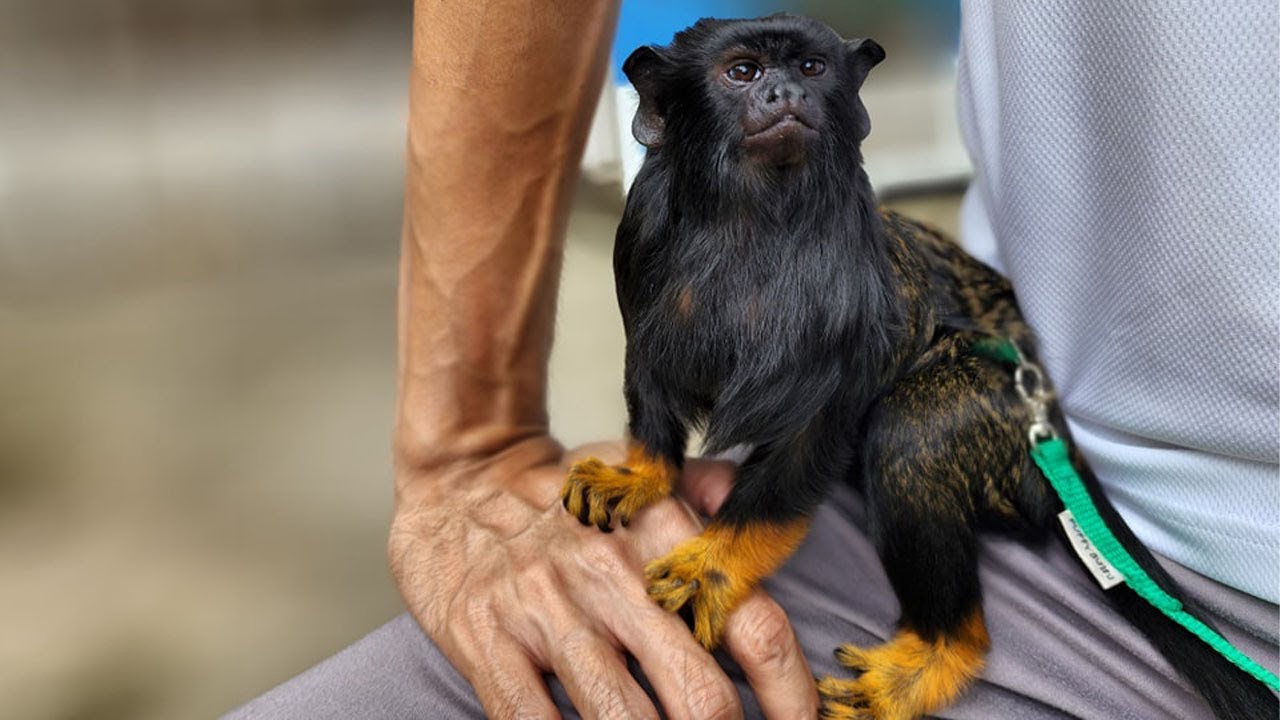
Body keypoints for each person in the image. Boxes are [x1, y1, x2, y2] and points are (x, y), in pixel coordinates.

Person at [227, 1, 1278, 718]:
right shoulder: (662, 230)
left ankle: (940, 643)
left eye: (801, 74)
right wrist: (473, 443)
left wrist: (732, 554)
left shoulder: (835, 244)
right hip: (1096, 509)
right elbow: (660, 362)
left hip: (952, 440)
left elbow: (819, 411)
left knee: (917, 431)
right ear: (665, 109)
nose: (779, 97)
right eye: (745, 75)